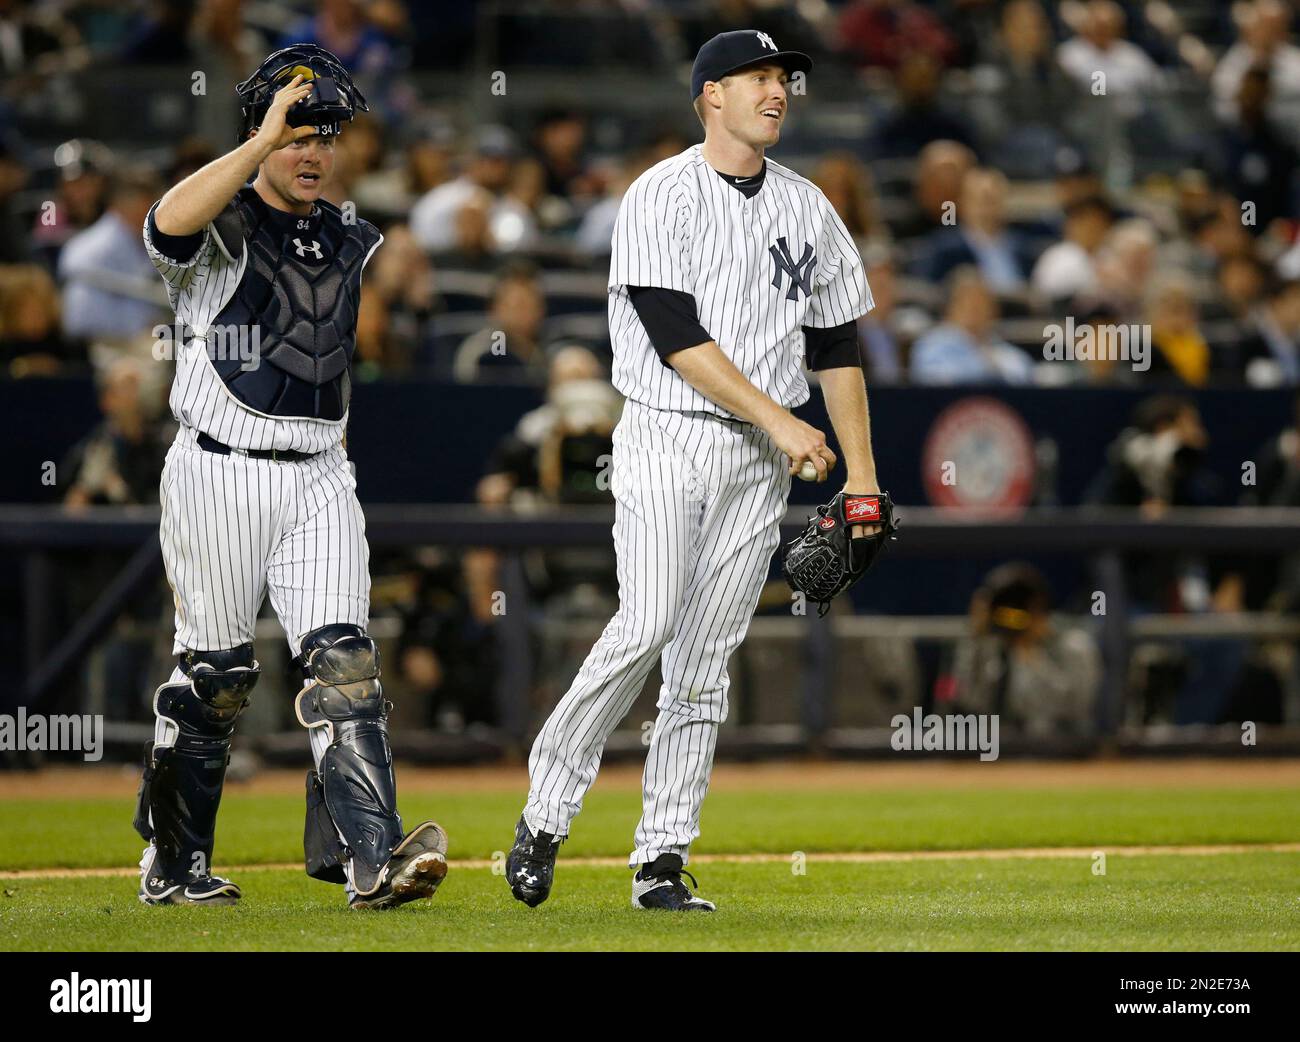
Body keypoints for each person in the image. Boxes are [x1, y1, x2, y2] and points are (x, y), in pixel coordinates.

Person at [505, 30, 884, 912]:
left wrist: (861, 478)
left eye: (784, 77)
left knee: (705, 662)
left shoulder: (809, 206)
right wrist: (784, 422)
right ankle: (546, 811)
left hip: (760, 460)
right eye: (758, 77)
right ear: (709, 94)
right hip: (669, 433)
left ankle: (662, 858)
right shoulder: (658, 196)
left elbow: (837, 347)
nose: (778, 90)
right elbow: (678, 340)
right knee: (647, 622)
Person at [133, 44, 446, 910]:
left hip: (319, 471)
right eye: (294, 135)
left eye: (324, 136)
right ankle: (175, 865)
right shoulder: (220, 223)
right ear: (260, 137)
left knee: (345, 667)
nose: (311, 151)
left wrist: (277, 133)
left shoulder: (349, 234)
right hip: (220, 469)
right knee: (216, 679)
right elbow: (162, 223)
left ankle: (371, 861)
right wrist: (255, 138)